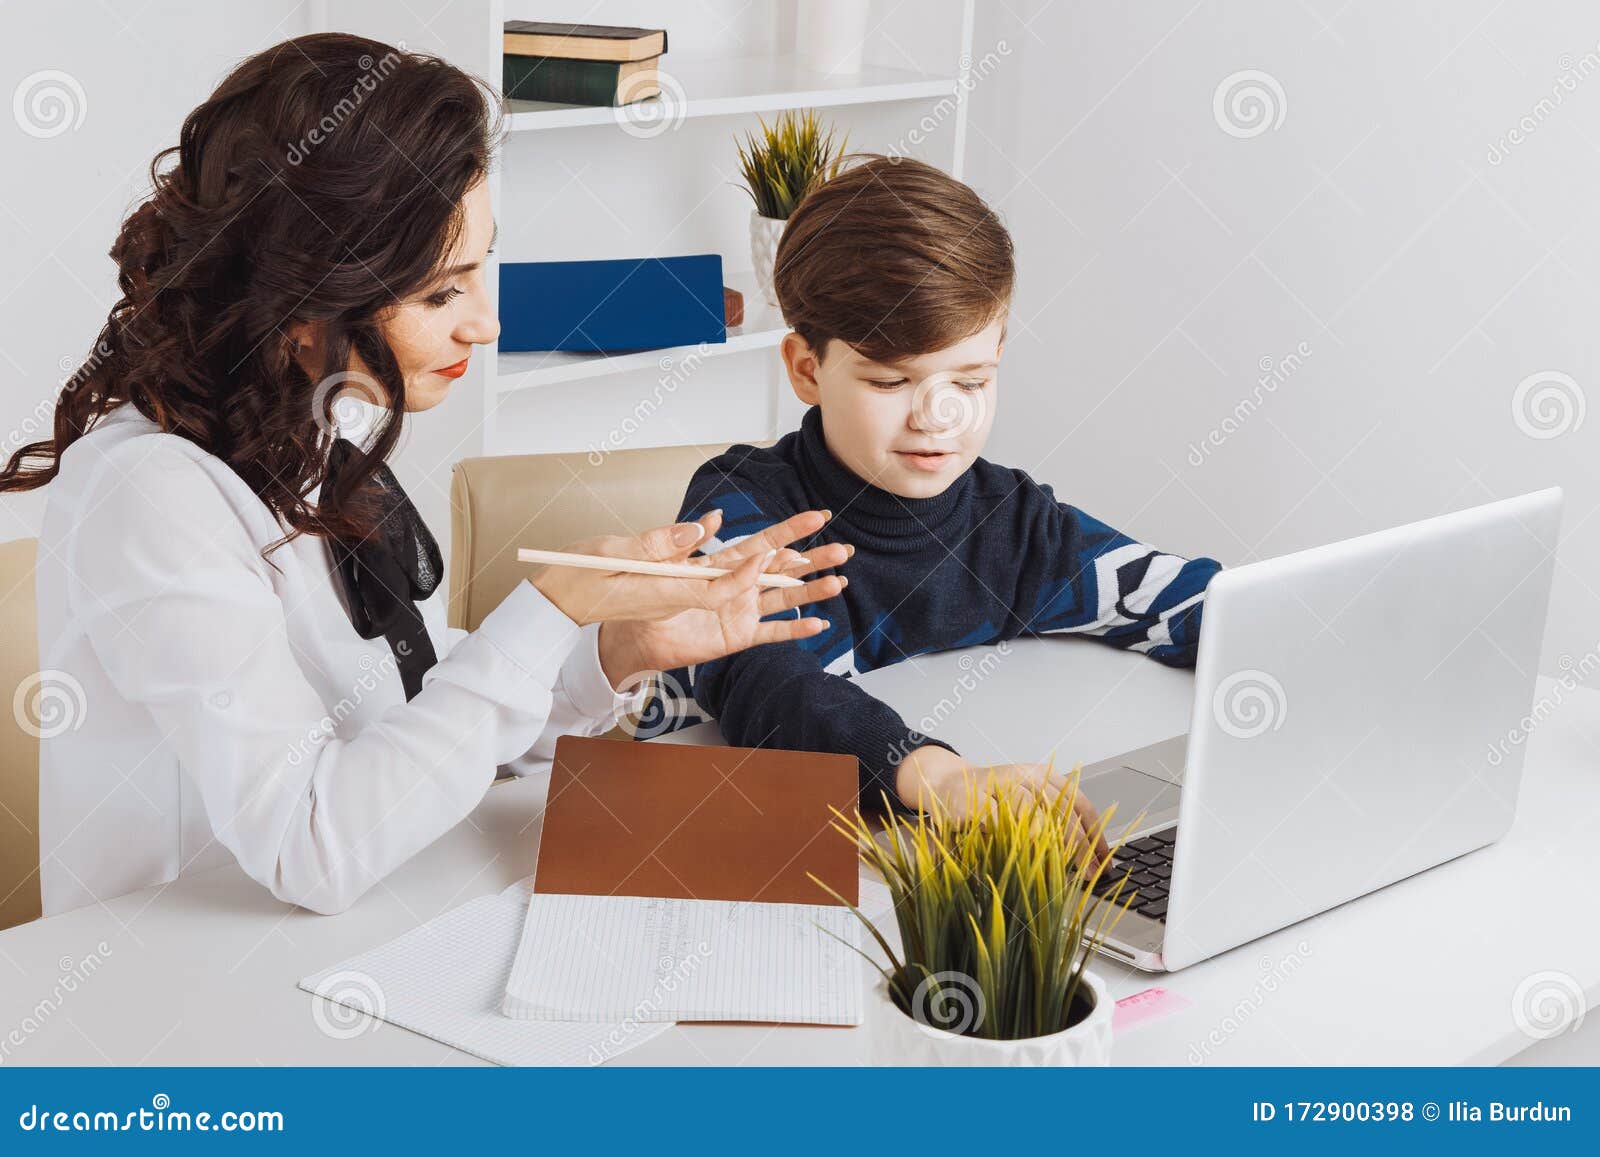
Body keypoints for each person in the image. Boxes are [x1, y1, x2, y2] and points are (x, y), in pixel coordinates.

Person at [0, 34, 847, 917]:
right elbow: (312, 843)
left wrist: (618, 646)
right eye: (442, 292)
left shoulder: (311, 418)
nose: (486, 325)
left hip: (353, 929)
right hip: (175, 991)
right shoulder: (151, 494)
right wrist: (553, 604)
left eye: (482, 269)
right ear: (304, 301)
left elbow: (413, 721)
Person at [658, 157, 1222, 843]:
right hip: (712, 843)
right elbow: (769, 684)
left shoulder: (1010, 522)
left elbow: (1173, 599)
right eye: (892, 381)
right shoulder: (742, 509)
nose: (938, 416)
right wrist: (939, 778)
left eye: (973, 380)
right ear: (808, 369)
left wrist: (1320, 636)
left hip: (905, 848)